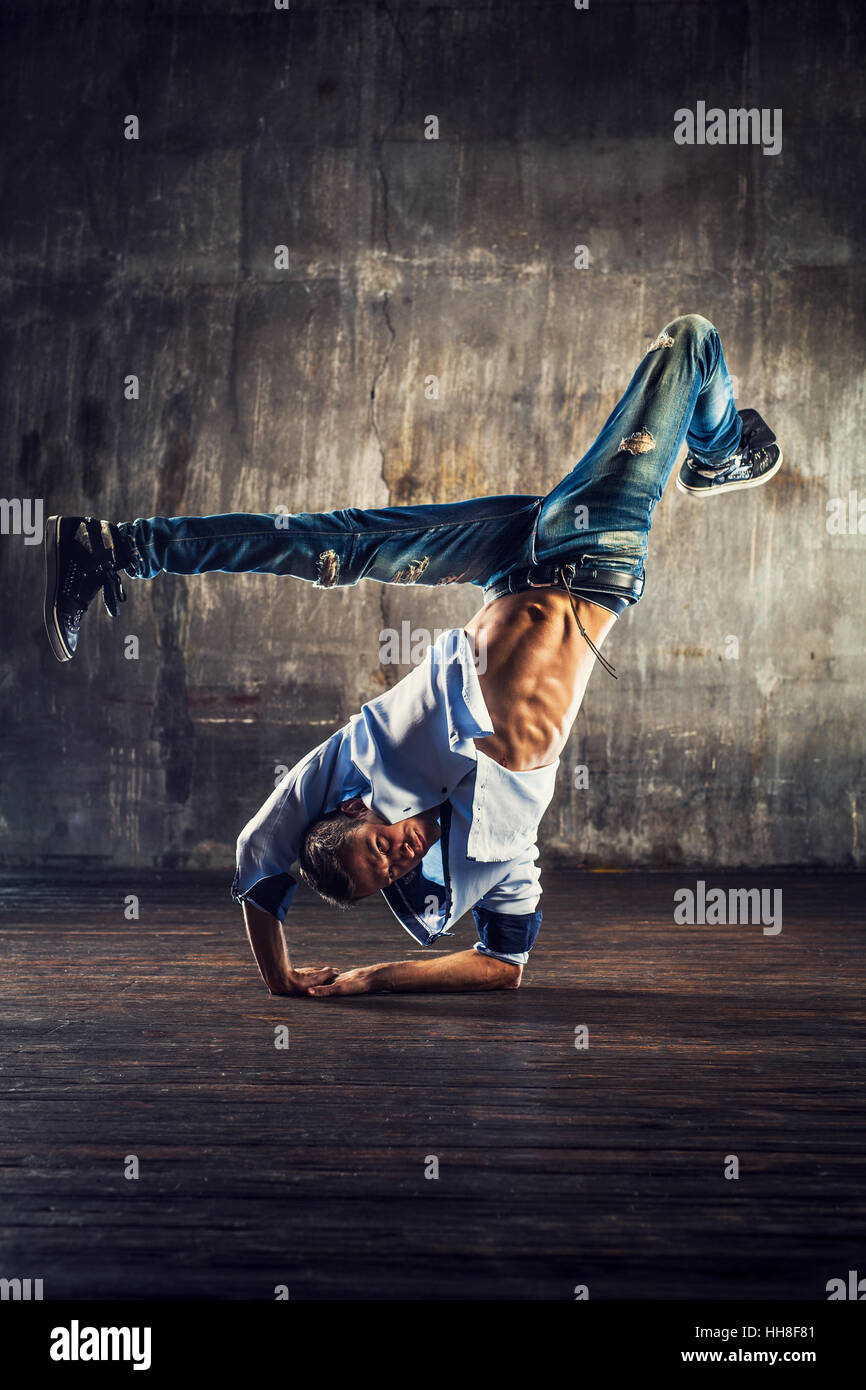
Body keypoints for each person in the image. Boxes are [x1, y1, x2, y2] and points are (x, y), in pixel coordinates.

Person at [43, 313, 782, 997]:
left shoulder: (351, 768)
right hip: (593, 558)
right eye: (388, 873)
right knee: (691, 341)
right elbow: (503, 965)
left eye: (378, 847)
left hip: (508, 559)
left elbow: (256, 859)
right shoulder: (488, 860)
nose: (397, 859)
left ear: (356, 811)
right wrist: (374, 978)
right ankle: (718, 452)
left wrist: (277, 976)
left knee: (335, 542)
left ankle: (113, 548)